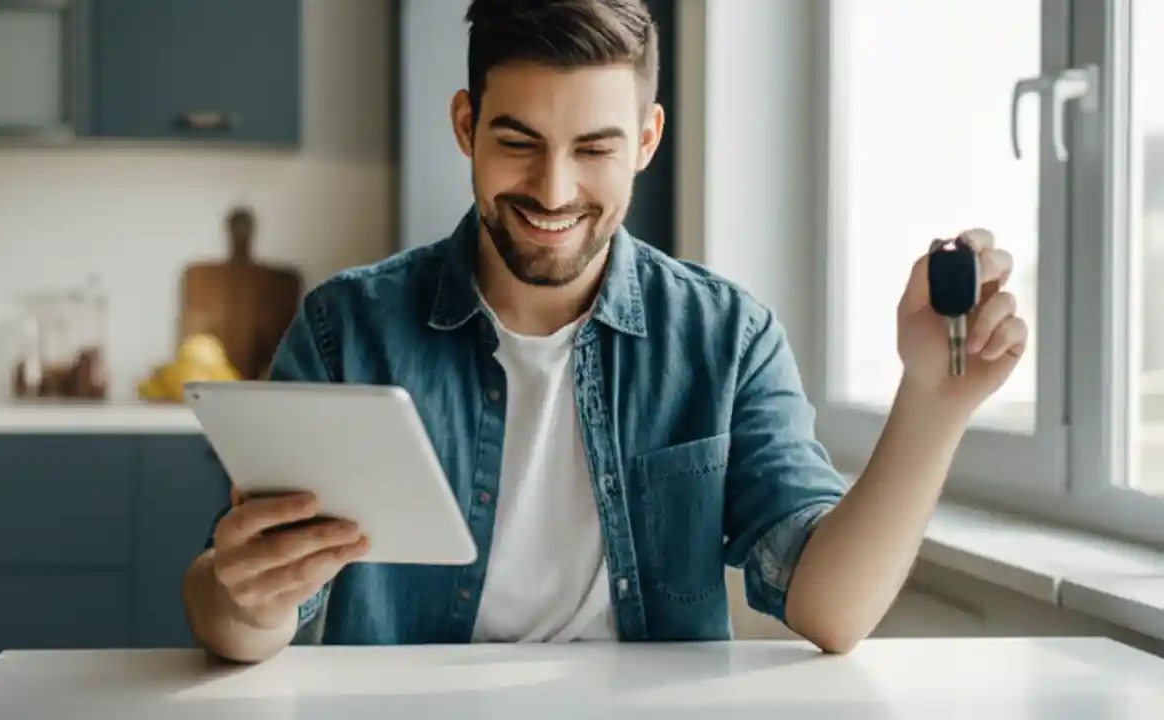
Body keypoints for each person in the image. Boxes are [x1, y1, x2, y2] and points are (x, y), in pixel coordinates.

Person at [182, 0, 1027, 663]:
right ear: (466, 127)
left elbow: (831, 608)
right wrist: (245, 601)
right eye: (518, 143)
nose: (554, 190)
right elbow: (229, 601)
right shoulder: (346, 327)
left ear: (646, 140)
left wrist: (933, 400)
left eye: (594, 148)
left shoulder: (728, 338)